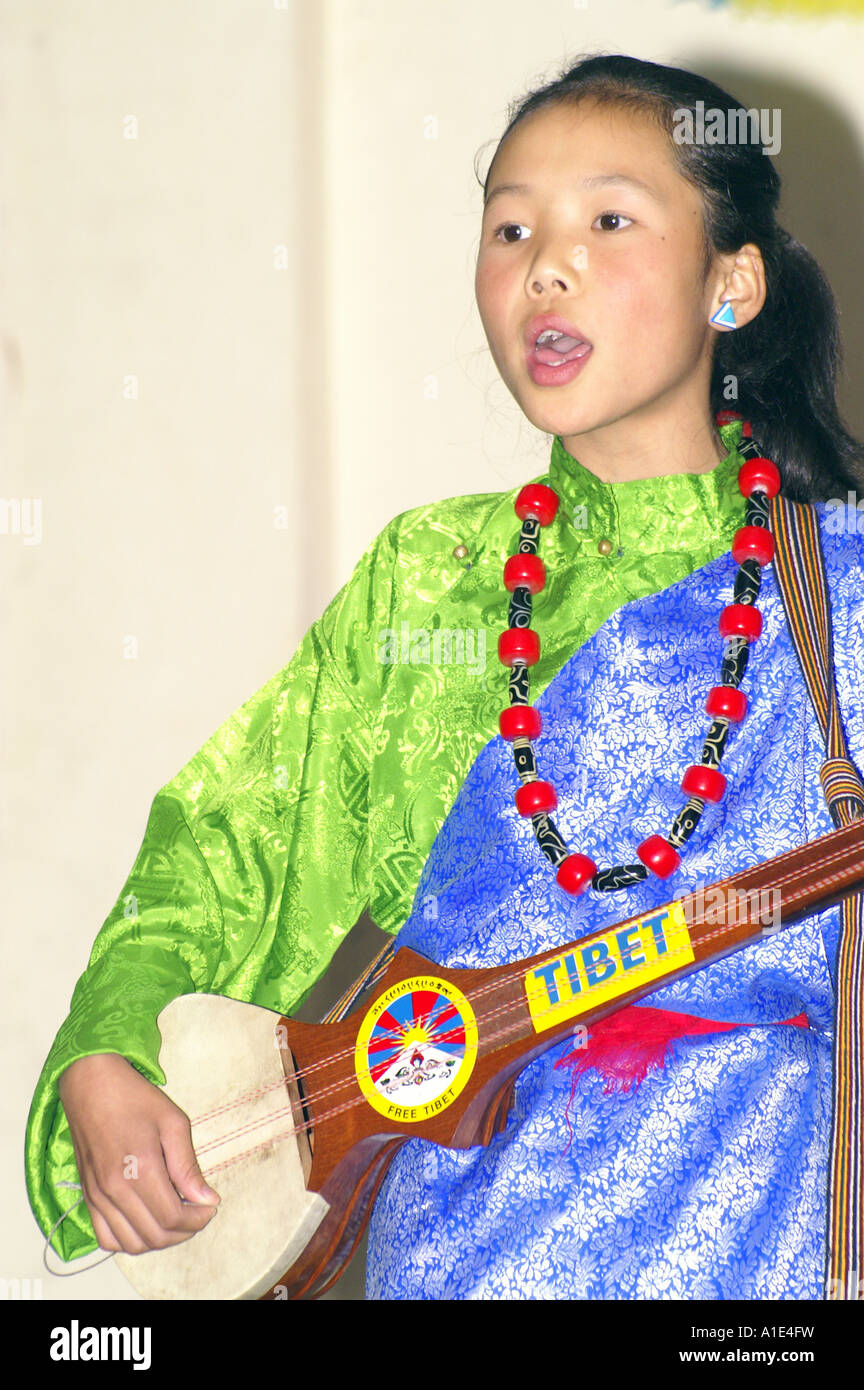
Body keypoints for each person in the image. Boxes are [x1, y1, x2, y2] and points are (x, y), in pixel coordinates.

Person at [25, 53, 864, 1299]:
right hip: (462, 1254)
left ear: (731, 284)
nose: (546, 265)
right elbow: (226, 850)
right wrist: (106, 1050)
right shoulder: (436, 582)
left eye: (609, 220)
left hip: (768, 1257)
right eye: (510, 228)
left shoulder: (841, 593)